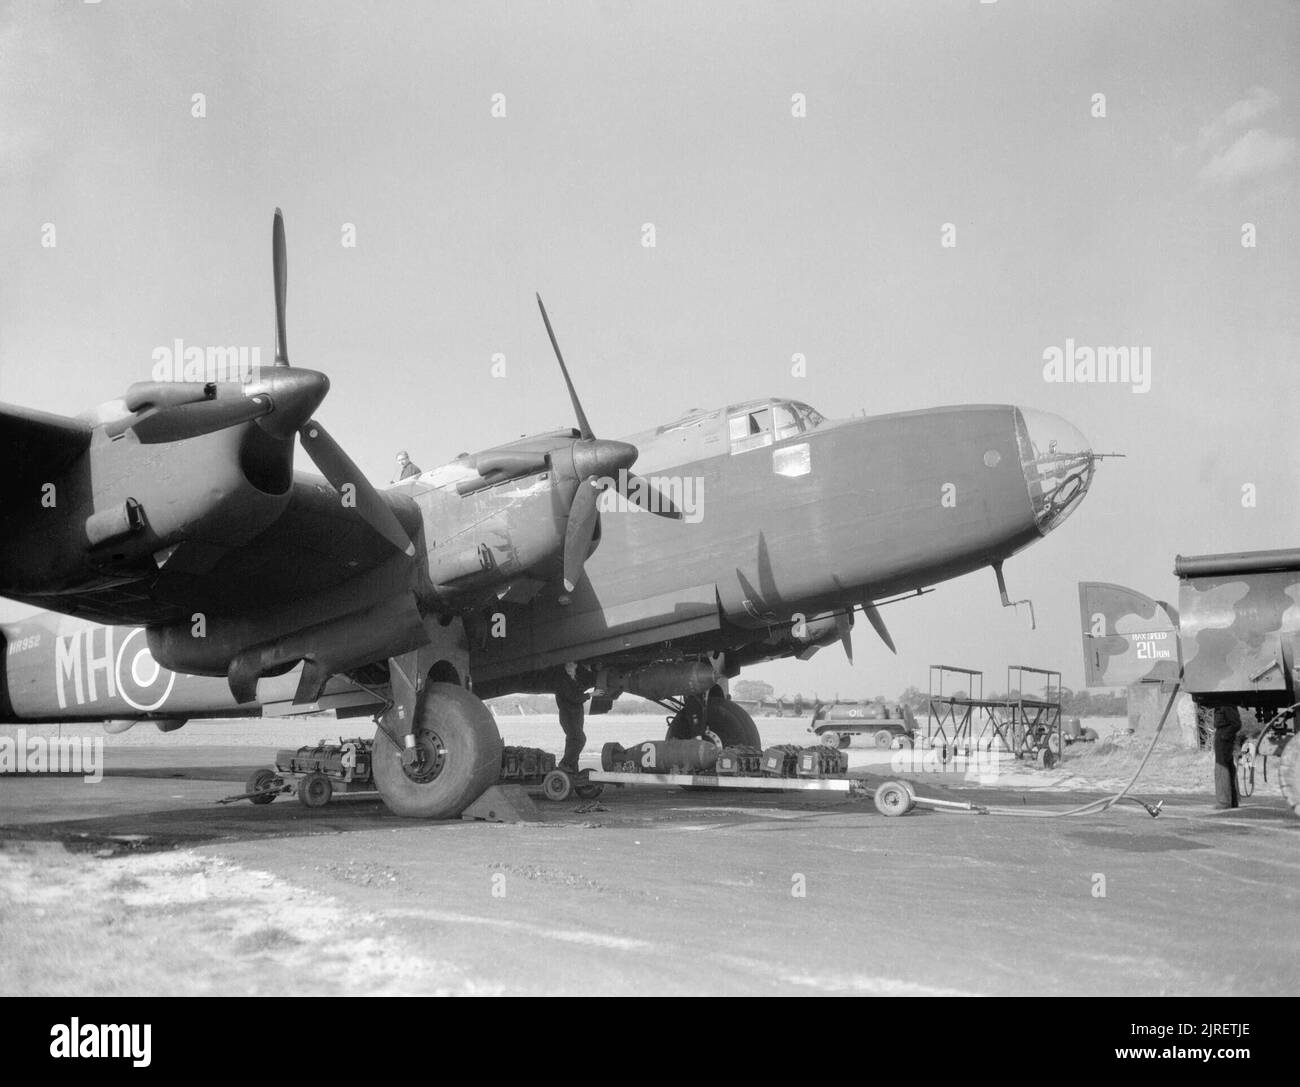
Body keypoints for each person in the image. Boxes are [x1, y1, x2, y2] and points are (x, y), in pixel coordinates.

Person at [555, 661, 591, 773]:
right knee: (580, 739)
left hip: (577, 716)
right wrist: (589, 695)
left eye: (571, 665)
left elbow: (578, 695)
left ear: (576, 666)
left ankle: (572, 770)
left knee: (572, 742)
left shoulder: (576, 680)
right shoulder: (563, 681)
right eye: (567, 666)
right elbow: (574, 698)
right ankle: (564, 763)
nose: (568, 668)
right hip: (568, 716)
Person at [1212, 703, 1242, 809]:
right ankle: (1232, 801)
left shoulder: (1225, 703)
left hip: (1223, 735)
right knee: (1228, 766)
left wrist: (1225, 735)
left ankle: (1223, 801)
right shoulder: (1225, 703)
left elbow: (1236, 724)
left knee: (1221, 767)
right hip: (1223, 734)